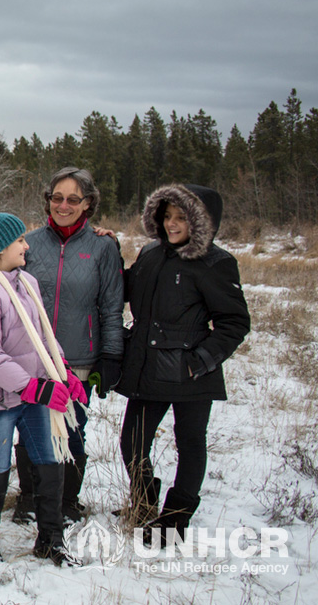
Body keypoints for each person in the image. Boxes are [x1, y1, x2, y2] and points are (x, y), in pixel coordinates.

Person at [0, 212, 88, 565]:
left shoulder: (25, 282)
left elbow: (43, 335)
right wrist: (34, 388)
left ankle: (51, 539)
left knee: (49, 461)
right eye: (19, 240)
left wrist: (63, 371)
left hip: (34, 394)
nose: (26, 245)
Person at [116, 184, 249, 538]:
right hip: (147, 367)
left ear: (201, 222)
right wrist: (107, 251)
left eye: (181, 218)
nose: (172, 224)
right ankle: (143, 501)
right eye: (167, 216)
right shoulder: (150, 253)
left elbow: (235, 322)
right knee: (132, 441)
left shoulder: (216, 263)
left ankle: (175, 518)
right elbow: (126, 289)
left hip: (191, 373)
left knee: (189, 443)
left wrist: (200, 360)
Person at [15, 167, 123, 524]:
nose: (63, 205)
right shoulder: (30, 243)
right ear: (48, 200)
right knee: (32, 427)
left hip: (78, 357)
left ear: (88, 204)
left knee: (73, 426)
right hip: (34, 354)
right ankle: (30, 497)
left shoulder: (103, 247)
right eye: (57, 198)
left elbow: (110, 305)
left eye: (73, 199)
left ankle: (66, 500)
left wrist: (110, 355)